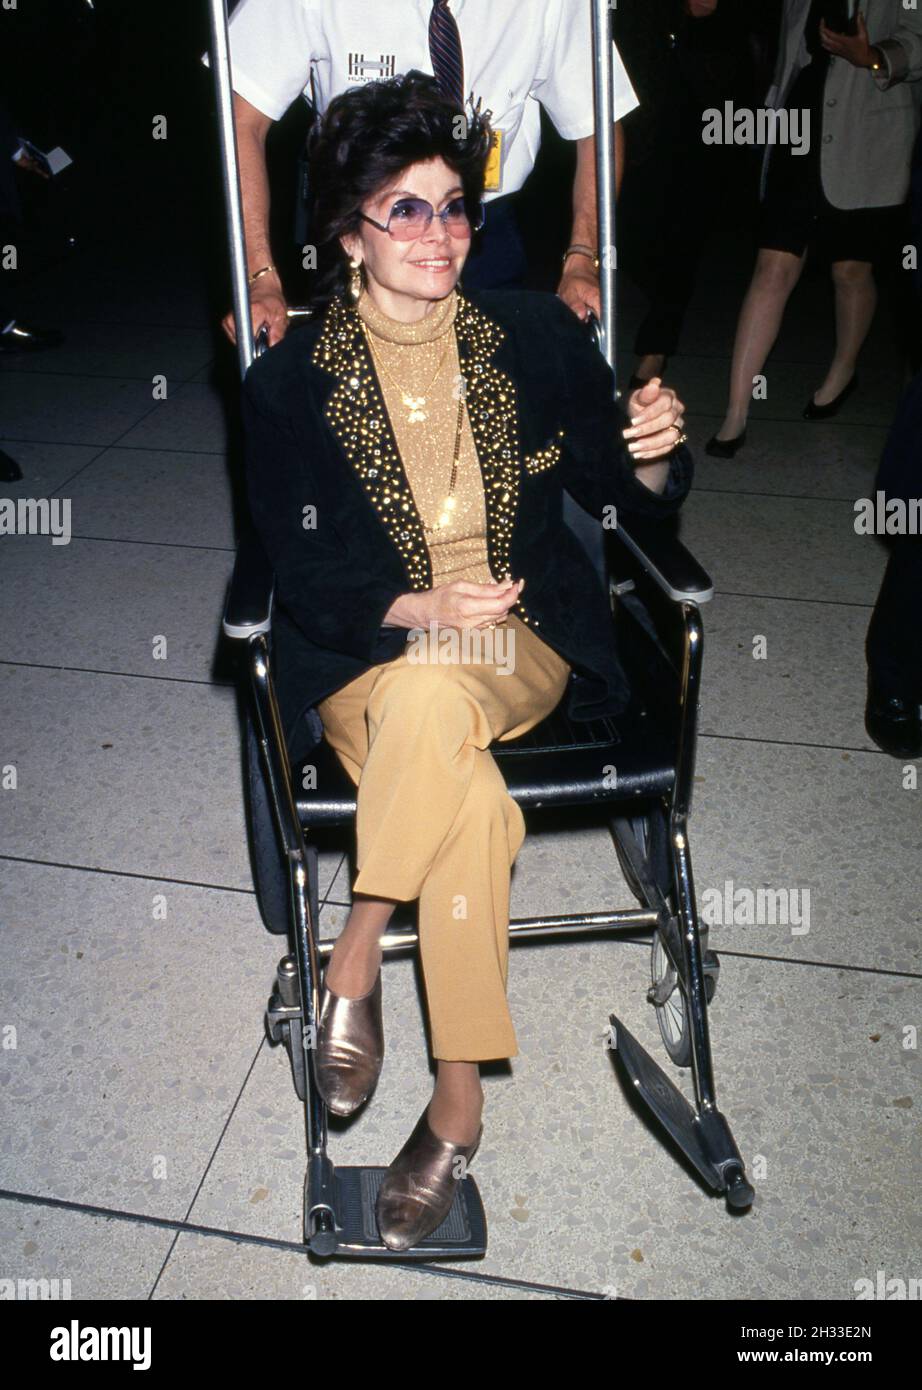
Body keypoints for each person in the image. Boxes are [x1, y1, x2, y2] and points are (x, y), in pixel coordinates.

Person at [240, 72, 691, 1250]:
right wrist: (420, 602)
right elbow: (306, 579)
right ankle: (457, 1102)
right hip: (364, 659)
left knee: (448, 683)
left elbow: (622, 496)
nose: (438, 236)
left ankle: (352, 948)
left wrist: (647, 452)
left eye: (454, 208)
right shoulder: (288, 383)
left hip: (515, 645)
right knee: (467, 798)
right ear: (345, 232)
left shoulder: (535, 336)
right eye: (405, 209)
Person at [207, 0, 638, 345]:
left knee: (492, 415)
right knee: (358, 417)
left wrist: (584, 258)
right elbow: (241, 120)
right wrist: (259, 275)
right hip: (363, 236)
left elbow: (597, 126)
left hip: (487, 233)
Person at [707, 0, 922, 458]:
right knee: (773, 263)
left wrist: (876, 56)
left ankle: (843, 372)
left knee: (851, 269)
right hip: (798, 119)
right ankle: (736, 411)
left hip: (867, 125)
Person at [614, 0, 754, 388]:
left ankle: (657, 344)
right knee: (625, 233)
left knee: (683, 231)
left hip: (699, 93)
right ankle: (667, 305)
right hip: (634, 85)